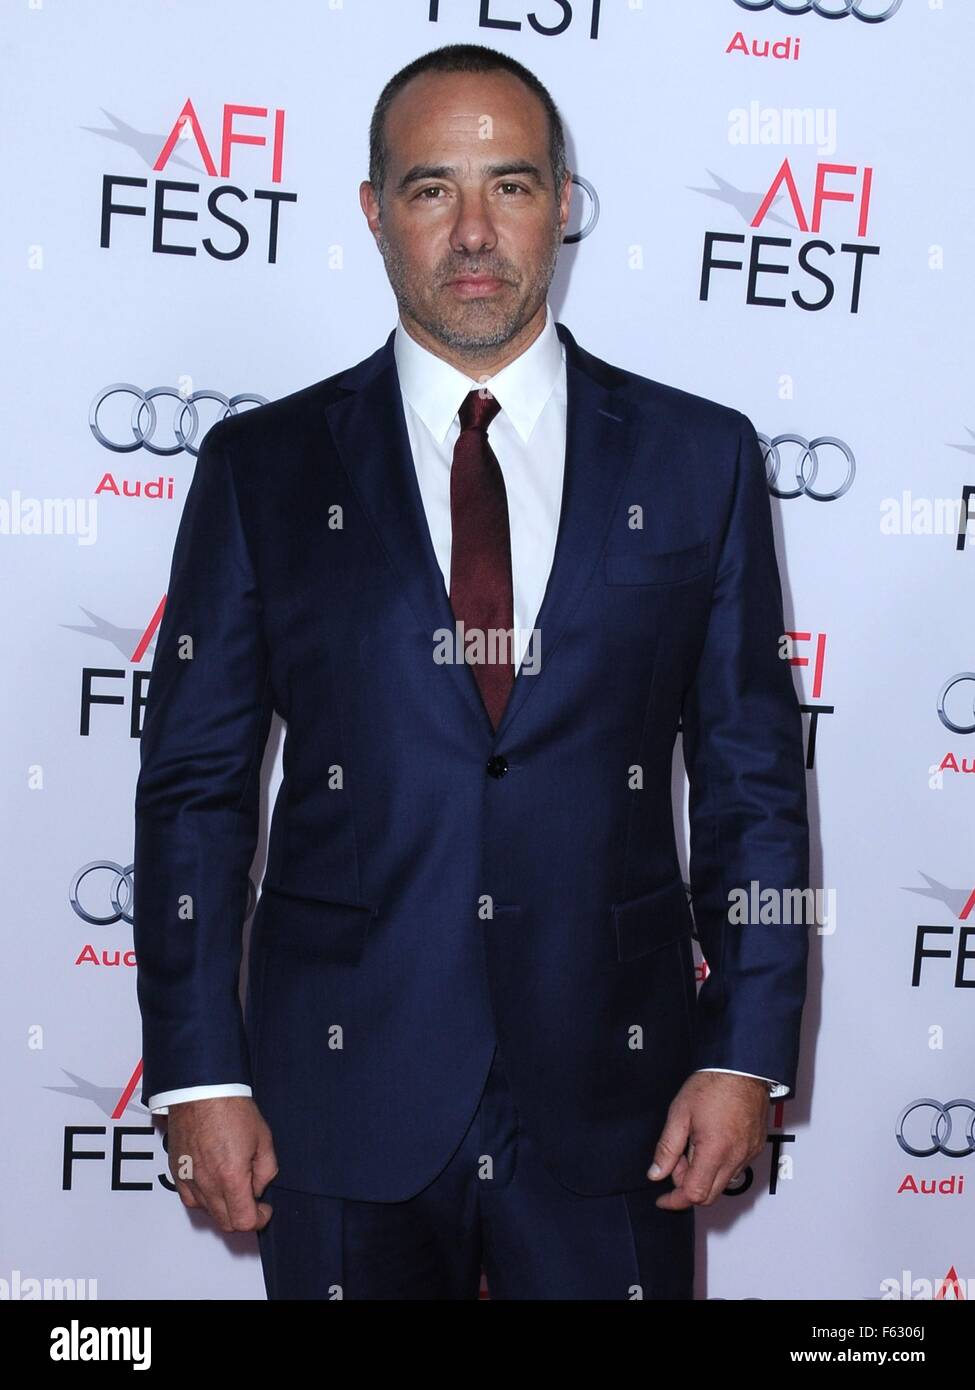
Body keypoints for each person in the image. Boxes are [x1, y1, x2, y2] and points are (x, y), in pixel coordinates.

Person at [133, 42, 810, 1301]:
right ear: (374, 212)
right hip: (338, 1092)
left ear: (564, 199)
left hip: (621, 1088)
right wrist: (197, 1071)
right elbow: (193, 795)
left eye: (512, 184)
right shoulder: (262, 468)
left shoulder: (697, 458)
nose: (477, 232)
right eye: (434, 189)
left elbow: (753, 786)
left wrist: (748, 1053)